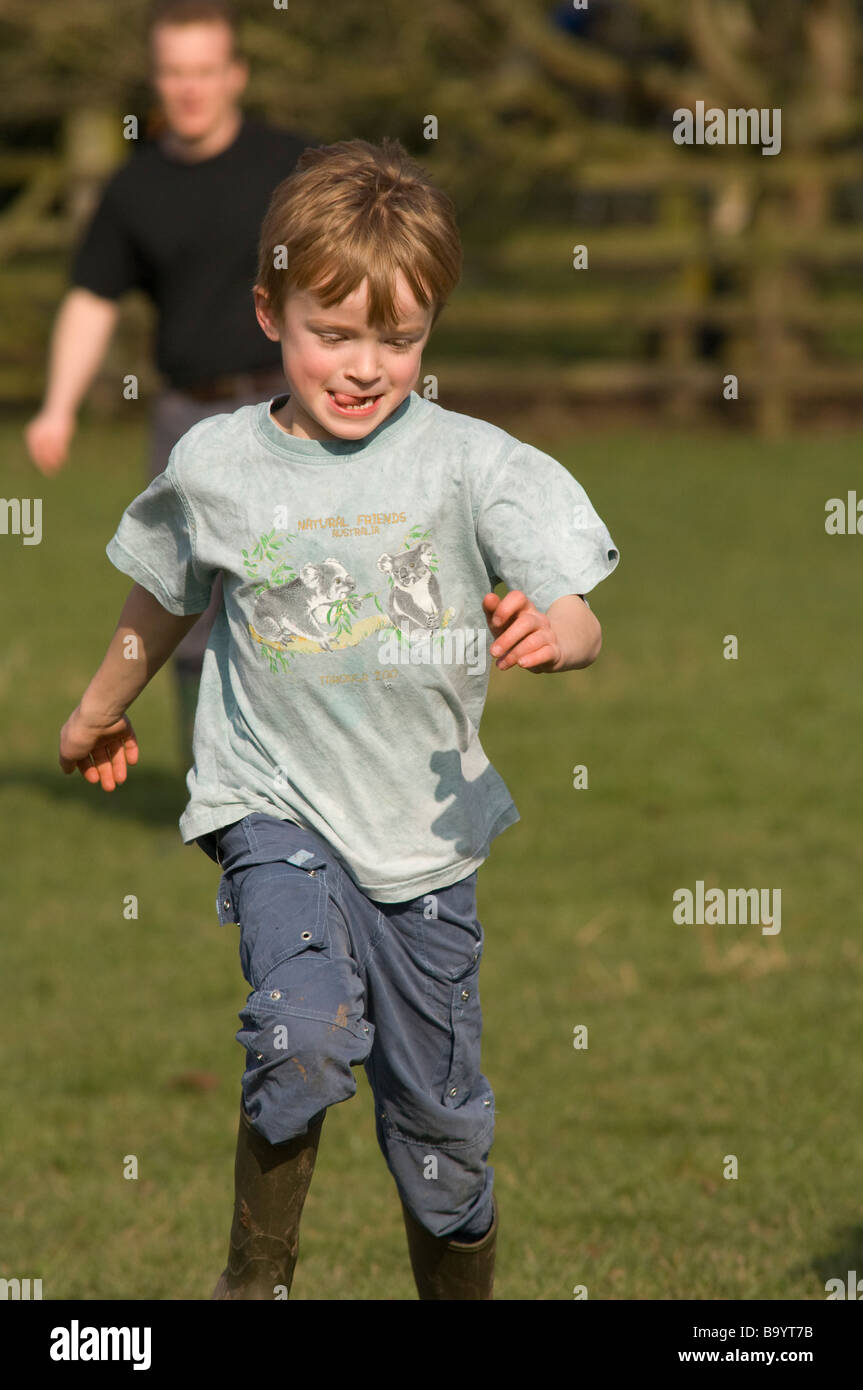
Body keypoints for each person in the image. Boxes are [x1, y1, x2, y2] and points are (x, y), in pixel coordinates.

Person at [57, 136, 621, 1300]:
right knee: (299, 1032)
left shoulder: (472, 465)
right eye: (335, 332)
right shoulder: (217, 464)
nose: (366, 365)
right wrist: (98, 708)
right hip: (276, 807)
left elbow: (578, 613)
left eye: (399, 338)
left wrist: (554, 636)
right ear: (269, 312)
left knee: (441, 1141)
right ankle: (251, 1281)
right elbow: (162, 598)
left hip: (422, 842)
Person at [26, 0, 314, 765]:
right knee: (182, 596)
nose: (190, 88)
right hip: (189, 418)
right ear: (158, 78)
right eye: (175, 72)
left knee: (300, 589)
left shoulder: (294, 166)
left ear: (235, 75)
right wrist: (57, 408)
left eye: (205, 71)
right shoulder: (136, 189)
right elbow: (92, 297)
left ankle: (310, 769)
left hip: (299, 407)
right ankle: (212, 779)